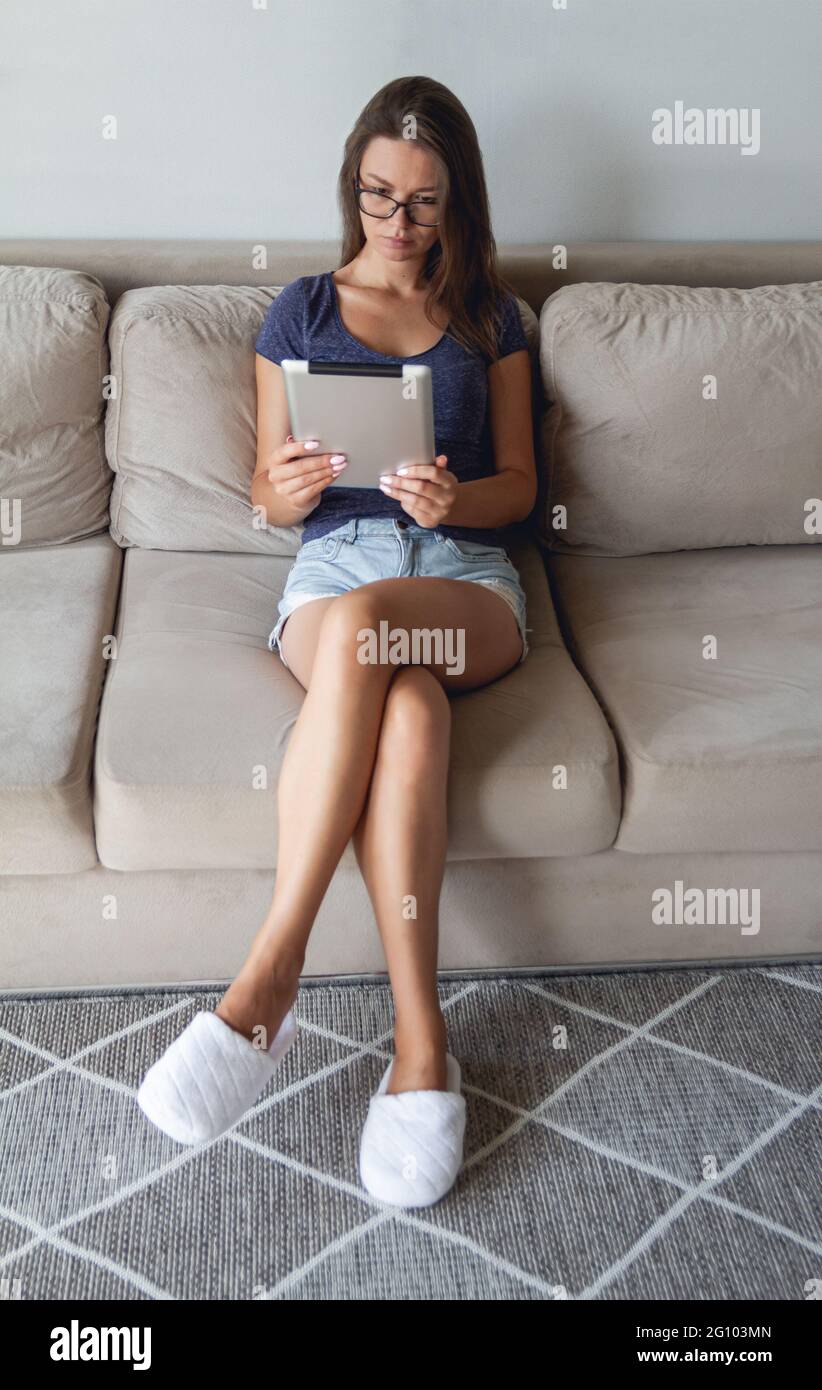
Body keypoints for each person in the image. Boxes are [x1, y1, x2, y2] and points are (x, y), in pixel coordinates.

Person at [136, 75, 537, 1209]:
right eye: (376, 197)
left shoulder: (494, 320)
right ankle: (422, 1047)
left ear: (458, 202)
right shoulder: (299, 313)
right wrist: (292, 481)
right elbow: (268, 496)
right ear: (351, 189)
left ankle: (271, 973)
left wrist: (457, 505)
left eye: (420, 203)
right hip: (337, 575)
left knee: (385, 645)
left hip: (460, 580)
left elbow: (521, 486)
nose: (396, 225)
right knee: (400, 702)